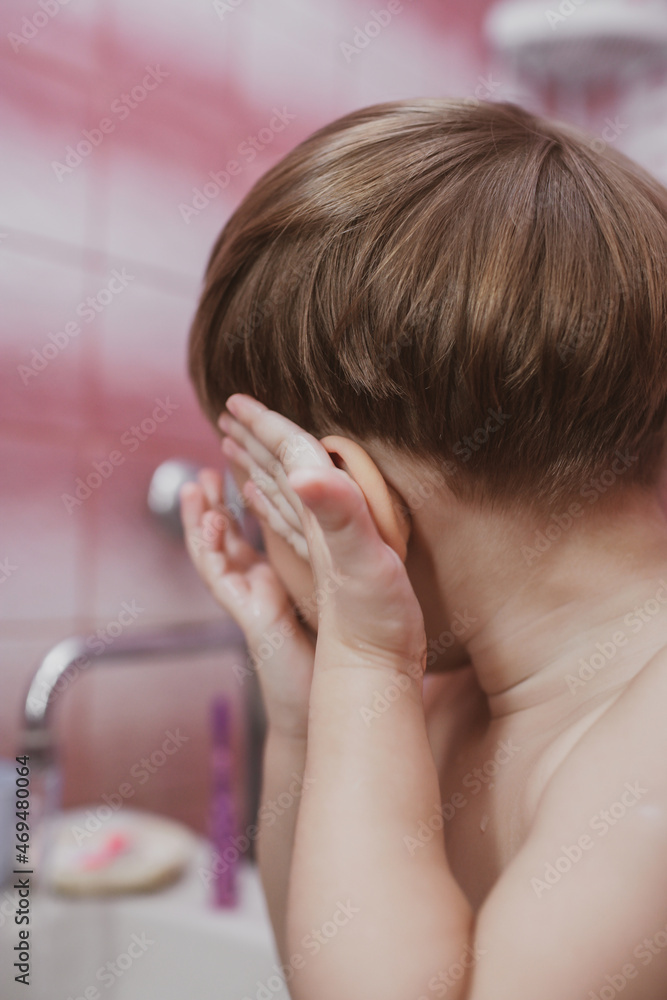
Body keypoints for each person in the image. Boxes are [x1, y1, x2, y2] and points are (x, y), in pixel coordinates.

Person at [180, 98, 667, 999]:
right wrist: (308, 715)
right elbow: (323, 956)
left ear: (338, 493)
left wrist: (366, 660)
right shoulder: (449, 707)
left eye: (262, 494)